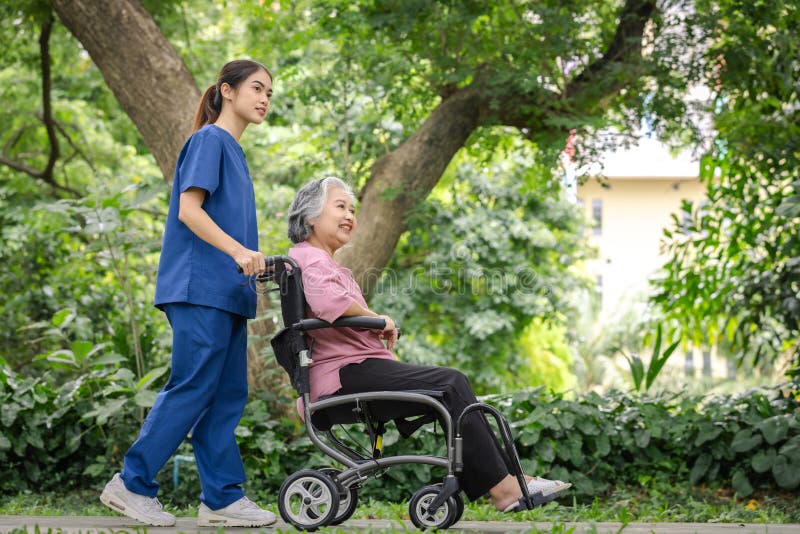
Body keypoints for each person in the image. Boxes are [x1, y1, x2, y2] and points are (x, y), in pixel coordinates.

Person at [285, 177, 572, 512]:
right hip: (342, 376)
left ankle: (510, 482)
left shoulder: (320, 261)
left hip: (353, 370)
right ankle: (507, 488)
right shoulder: (312, 260)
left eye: (352, 208)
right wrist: (378, 319)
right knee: (451, 382)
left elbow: (329, 306)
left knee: (451, 386)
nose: (350, 214)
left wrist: (373, 323)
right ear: (310, 218)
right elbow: (326, 302)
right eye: (340, 206)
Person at [99, 60, 276, 528]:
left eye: (270, 93)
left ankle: (220, 498)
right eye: (256, 88)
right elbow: (189, 211)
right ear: (228, 90)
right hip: (199, 287)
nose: (264, 98)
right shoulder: (209, 141)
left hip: (228, 293)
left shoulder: (235, 153)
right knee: (194, 385)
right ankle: (131, 483)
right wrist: (240, 251)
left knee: (227, 394)